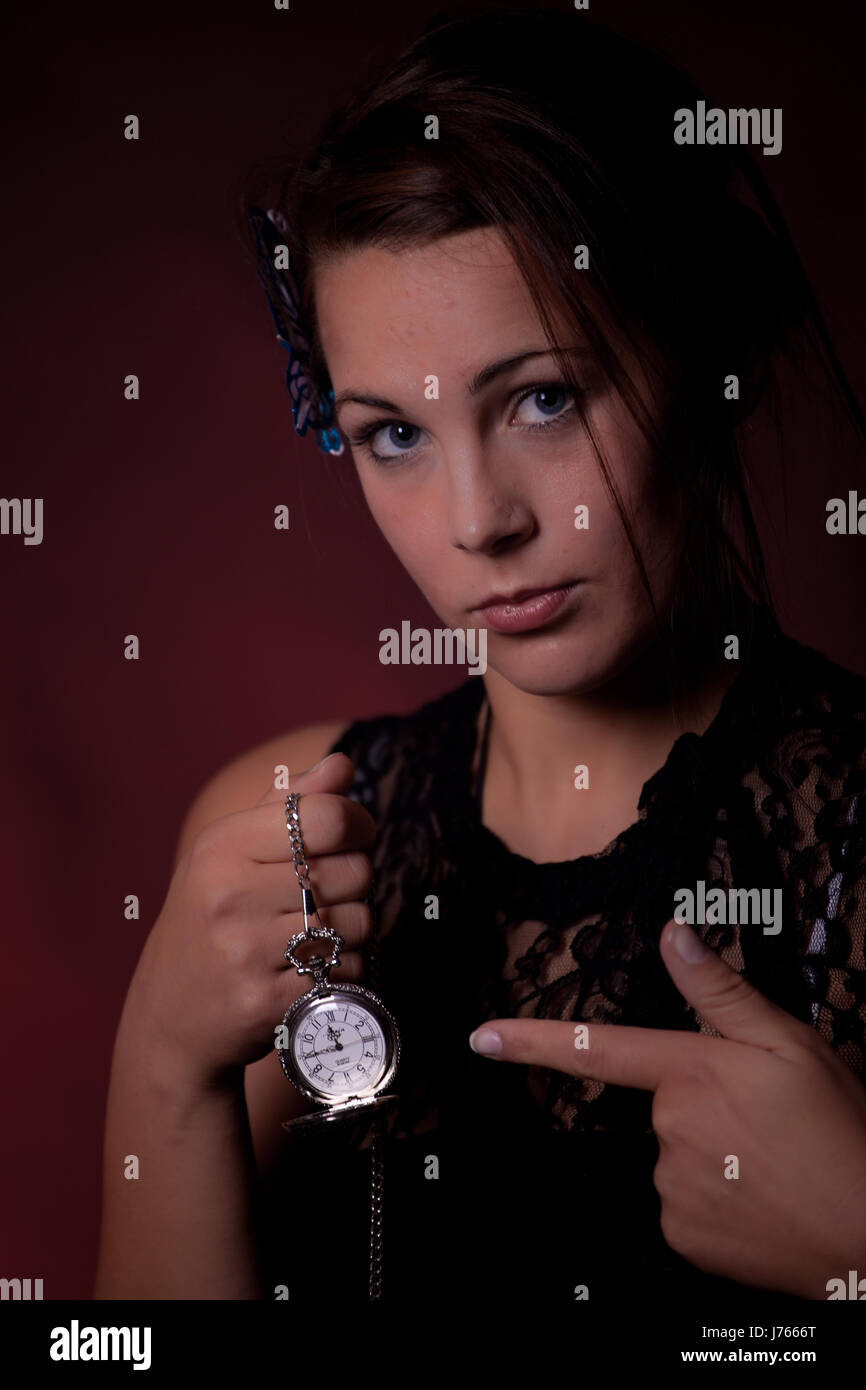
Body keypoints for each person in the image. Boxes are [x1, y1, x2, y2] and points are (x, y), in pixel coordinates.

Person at [93, 7, 866, 1306]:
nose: (477, 521)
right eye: (390, 433)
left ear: (701, 362)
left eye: (544, 397)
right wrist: (161, 1076)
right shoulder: (283, 837)